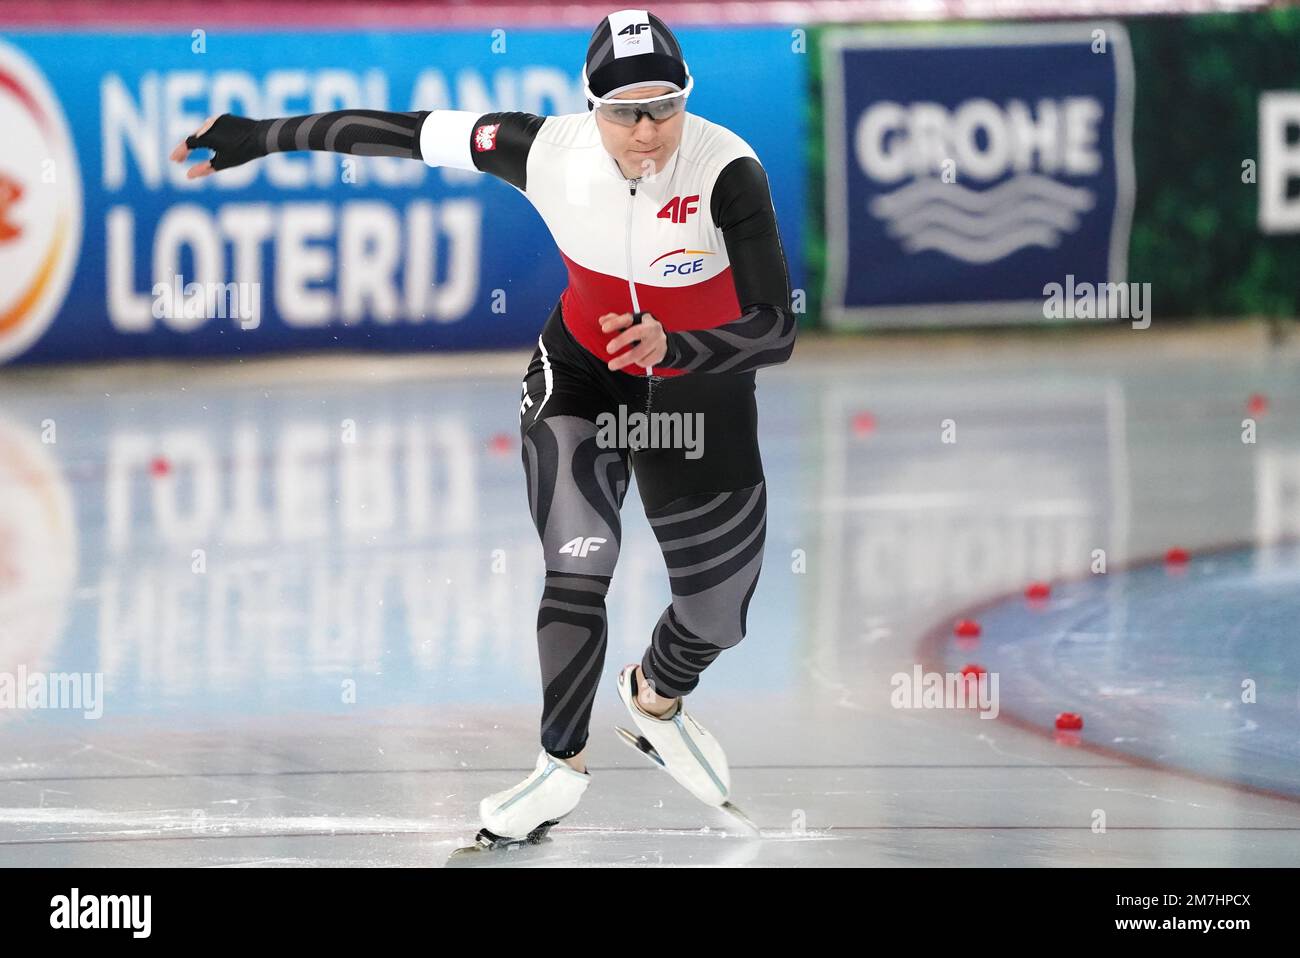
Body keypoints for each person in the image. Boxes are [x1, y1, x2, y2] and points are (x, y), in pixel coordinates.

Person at [171, 8, 795, 843]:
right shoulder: (544, 150)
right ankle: (557, 765)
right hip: (584, 379)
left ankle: (656, 697)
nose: (645, 132)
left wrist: (677, 344)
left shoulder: (730, 172)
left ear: (687, 98)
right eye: (622, 111)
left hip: (695, 395)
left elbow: (775, 328)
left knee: (719, 615)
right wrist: (266, 137)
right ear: (589, 107)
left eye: (662, 107)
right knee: (581, 562)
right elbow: (405, 132)